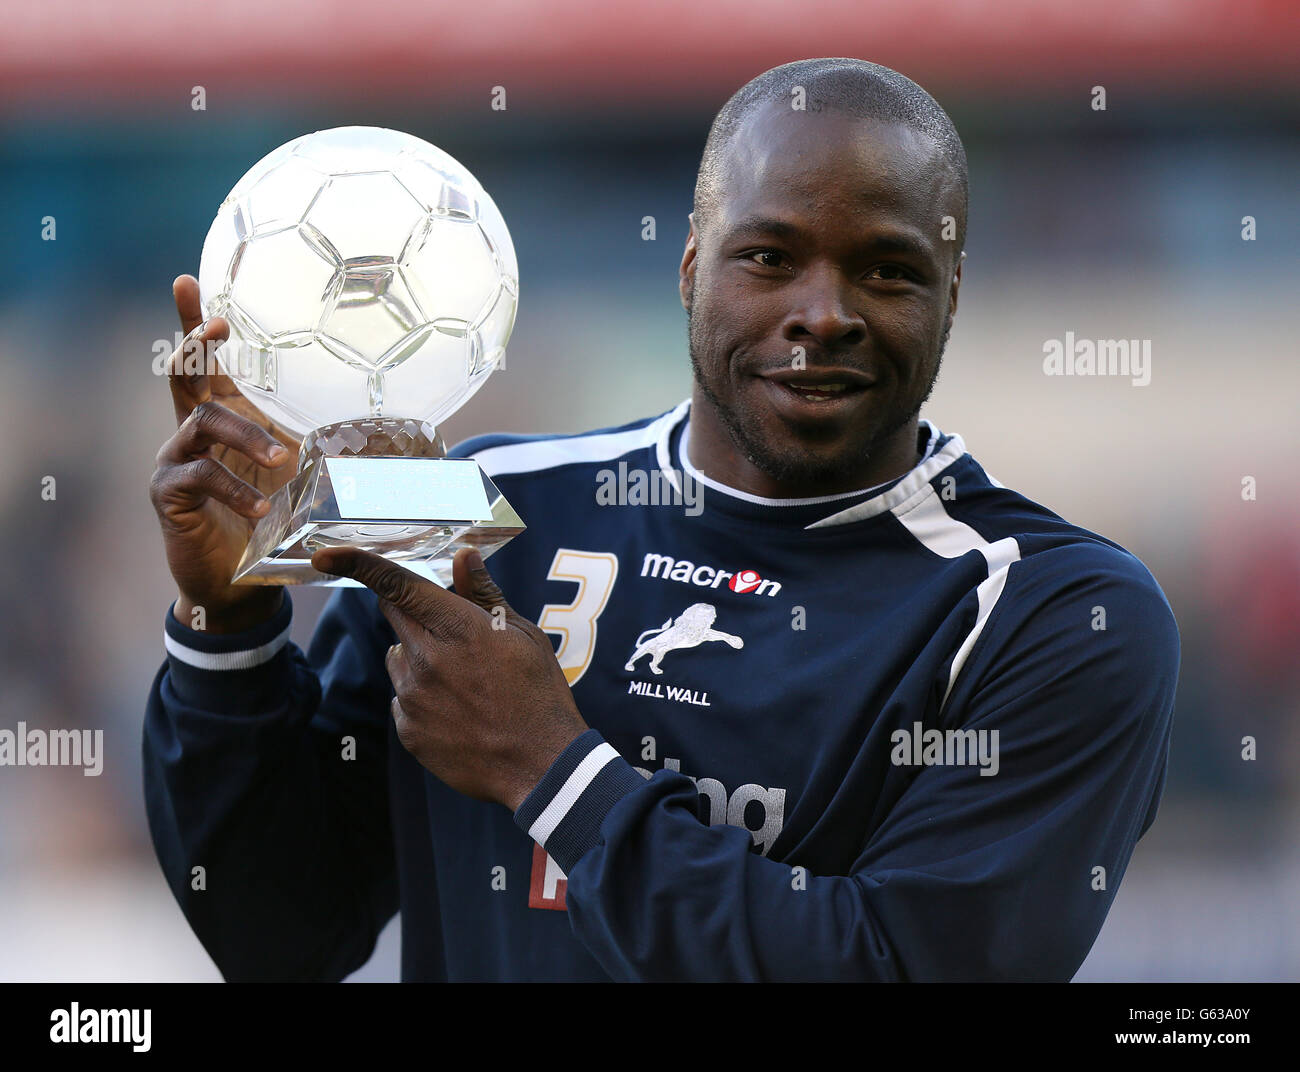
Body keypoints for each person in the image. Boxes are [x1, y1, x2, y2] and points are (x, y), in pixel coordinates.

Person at [143, 57, 1179, 982]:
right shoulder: (478, 504)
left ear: (949, 296)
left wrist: (553, 770)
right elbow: (282, 936)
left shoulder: (1052, 611)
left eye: (887, 268)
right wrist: (224, 636)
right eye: (769, 257)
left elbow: (897, 962)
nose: (824, 311)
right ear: (690, 270)